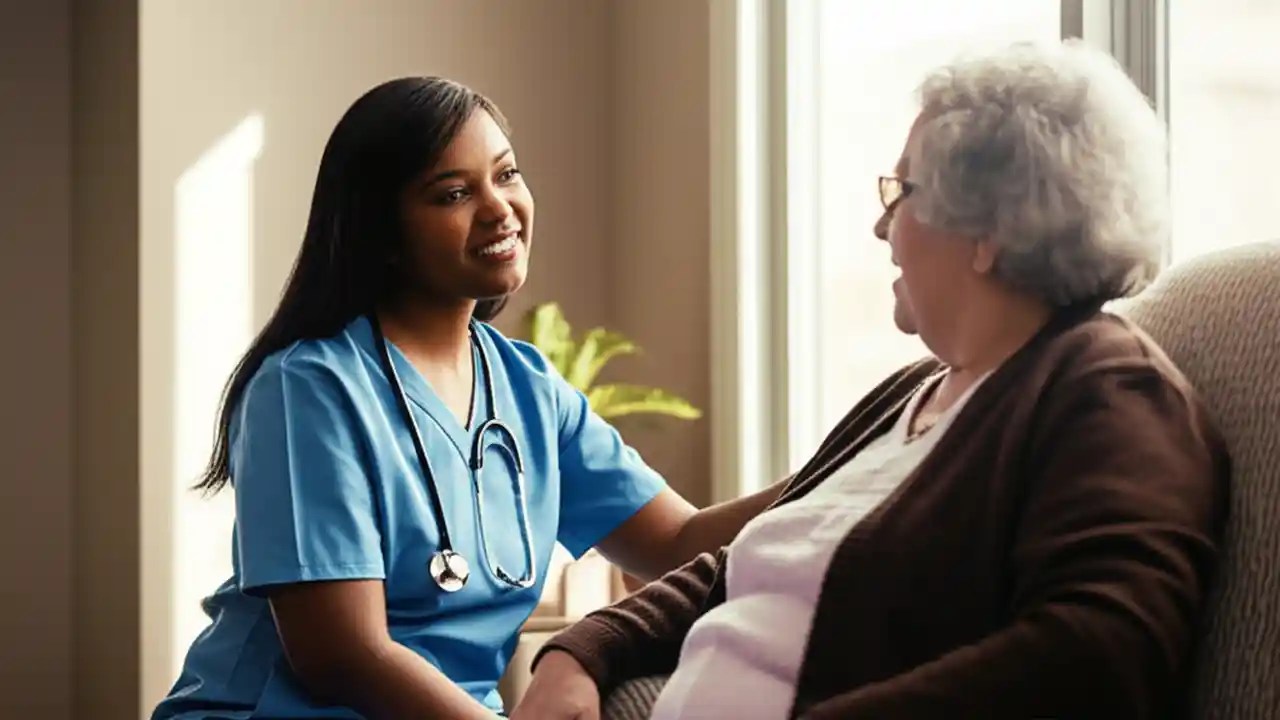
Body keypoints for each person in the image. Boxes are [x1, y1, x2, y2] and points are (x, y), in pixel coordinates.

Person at [515, 39, 1231, 720]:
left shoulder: (1110, 391)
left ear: (988, 231)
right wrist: (582, 650)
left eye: (903, 191)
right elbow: (745, 563)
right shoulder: (912, 395)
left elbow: (1099, 656)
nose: (882, 226)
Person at [150, 77, 786, 720]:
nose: (499, 209)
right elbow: (342, 652)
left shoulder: (530, 388)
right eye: (454, 193)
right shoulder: (310, 388)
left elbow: (677, 540)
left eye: (507, 175)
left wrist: (854, 464)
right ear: (383, 231)